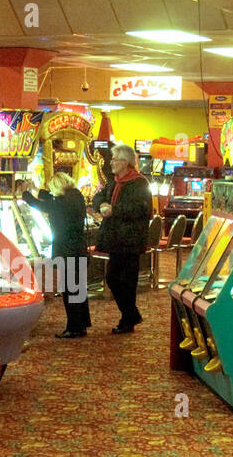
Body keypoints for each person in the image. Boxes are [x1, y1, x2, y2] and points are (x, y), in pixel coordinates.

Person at [18, 172, 91, 338]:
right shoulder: (75, 195)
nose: (50, 191)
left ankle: (74, 327)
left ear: (58, 186)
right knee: (78, 289)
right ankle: (81, 324)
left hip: (67, 249)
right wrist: (36, 189)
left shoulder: (62, 203)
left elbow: (44, 205)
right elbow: (51, 199)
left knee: (70, 290)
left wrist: (25, 193)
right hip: (77, 247)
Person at [95, 143, 151, 334]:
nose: (111, 163)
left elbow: (140, 209)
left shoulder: (139, 183)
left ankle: (128, 319)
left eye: (115, 160)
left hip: (130, 240)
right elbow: (98, 197)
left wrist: (114, 210)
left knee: (126, 281)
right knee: (112, 278)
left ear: (125, 162)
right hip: (115, 238)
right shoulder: (114, 180)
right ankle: (130, 315)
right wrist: (101, 204)